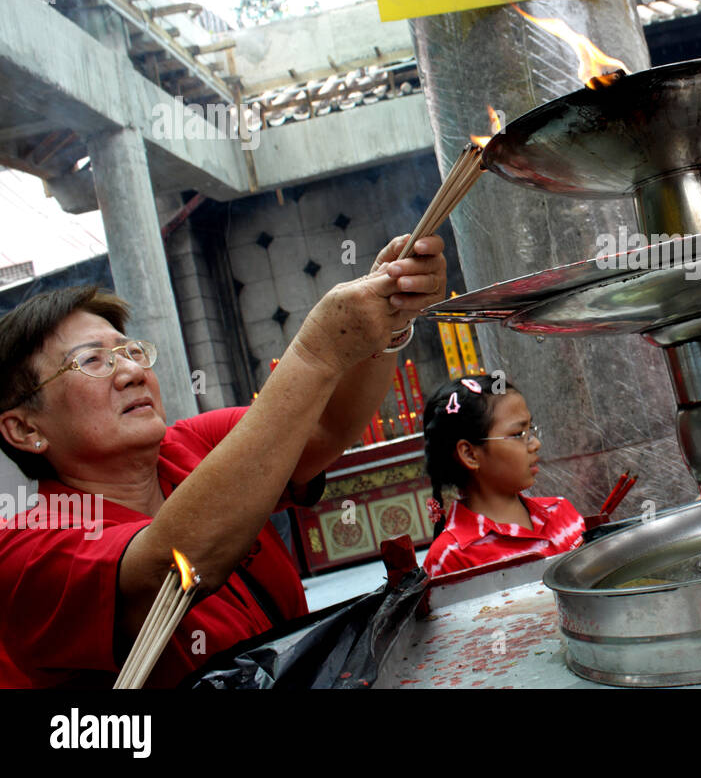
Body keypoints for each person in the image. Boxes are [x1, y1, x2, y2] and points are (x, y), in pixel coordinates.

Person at [0, 235, 447, 687]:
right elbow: (175, 567)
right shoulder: (27, 549)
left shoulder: (190, 444)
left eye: (131, 351)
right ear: (25, 429)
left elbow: (323, 429)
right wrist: (316, 352)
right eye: (92, 361)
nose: (133, 372)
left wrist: (387, 317)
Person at [422, 374, 583, 578]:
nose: (535, 444)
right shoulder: (451, 558)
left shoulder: (560, 513)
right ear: (470, 454)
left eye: (530, 430)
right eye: (518, 434)